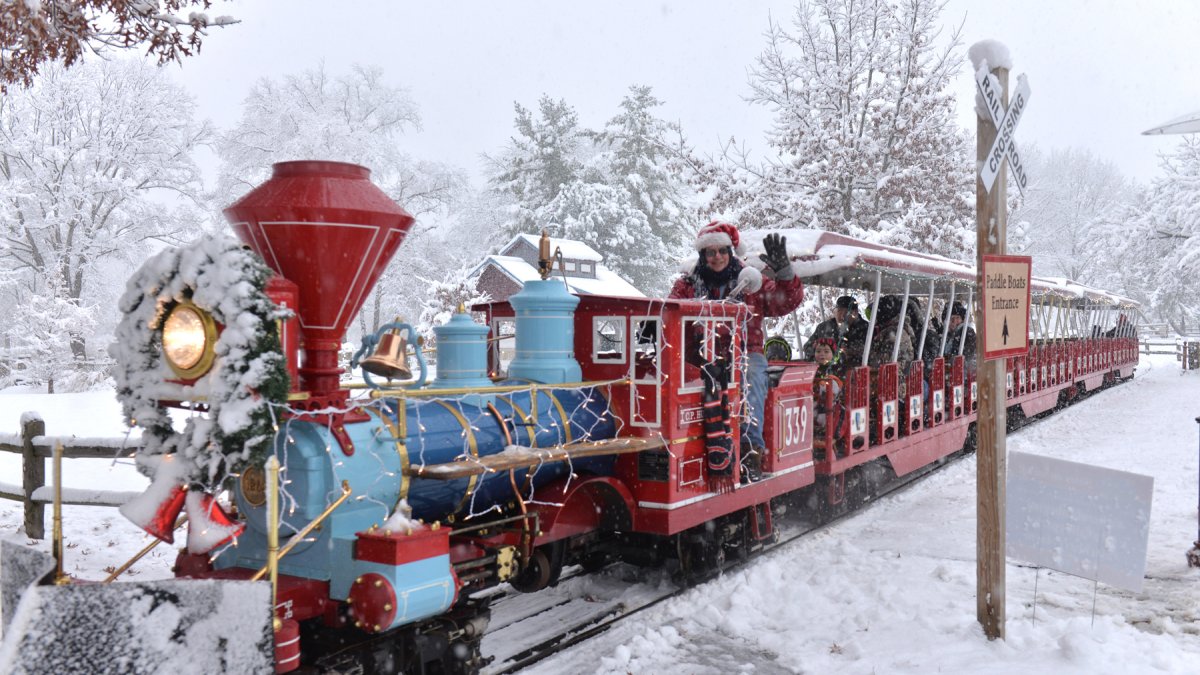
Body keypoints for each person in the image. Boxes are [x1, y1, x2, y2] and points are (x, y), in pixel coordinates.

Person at [669, 221, 804, 478]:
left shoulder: (751, 280)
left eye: (722, 251)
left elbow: (785, 302)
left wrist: (785, 274)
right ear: (703, 255)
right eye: (710, 252)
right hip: (698, 354)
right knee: (675, 379)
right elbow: (671, 308)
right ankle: (685, 443)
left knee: (751, 377)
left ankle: (750, 448)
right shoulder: (687, 284)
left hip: (744, 351)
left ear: (731, 251)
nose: (717, 257)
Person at [803, 295, 856, 360]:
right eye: (839, 311)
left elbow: (869, 354)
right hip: (825, 367)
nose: (842, 316)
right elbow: (807, 347)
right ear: (835, 312)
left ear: (855, 313)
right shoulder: (823, 327)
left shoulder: (865, 329)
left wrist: (852, 352)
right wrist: (817, 349)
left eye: (847, 313)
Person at [943, 302, 977, 371]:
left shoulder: (966, 332)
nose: (954, 321)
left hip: (964, 372)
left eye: (957, 317)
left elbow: (967, 355)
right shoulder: (949, 334)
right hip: (954, 371)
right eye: (951, 318)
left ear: (963, 319)